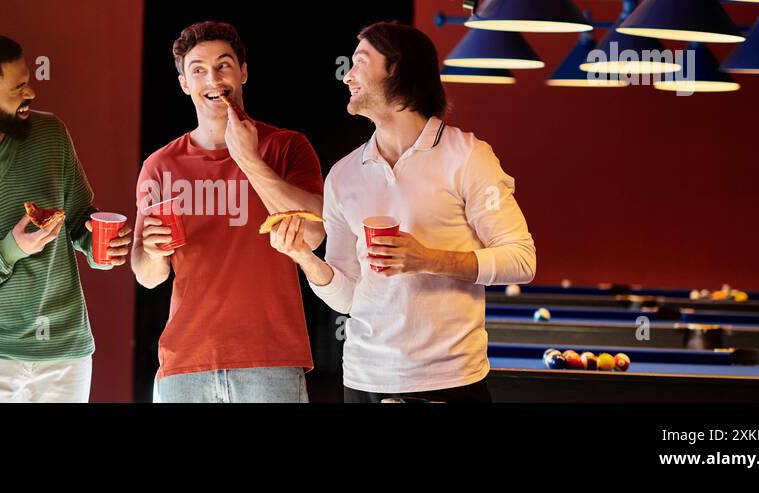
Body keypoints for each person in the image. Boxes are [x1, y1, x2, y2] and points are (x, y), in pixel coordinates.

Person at [270, 22, 536, 403]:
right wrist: (303, 257)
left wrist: (427, 259)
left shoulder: (468, 157)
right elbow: (348, 298)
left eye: (361, 62)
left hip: (450, 380)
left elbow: (521, 260)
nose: (347, 75)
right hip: (364, 380)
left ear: (396, 70)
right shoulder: (344, 175)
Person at [0, 34, 133, 403]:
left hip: (65, 352)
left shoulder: (50, 135)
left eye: (29, 80)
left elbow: (80, 218)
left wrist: (101, 247)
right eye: (18, 88)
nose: (31, 93)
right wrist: (9, 250)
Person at [134, 21, 324, 403]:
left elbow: (315, 233)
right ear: (184, 83)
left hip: (270, 359)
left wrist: (248, 159)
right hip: (184, 363)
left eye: (223, 65)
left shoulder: (287, 147)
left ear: (243, 73)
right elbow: (148, 275)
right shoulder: (160, 165)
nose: (213, 78)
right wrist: (154, 252)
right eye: (198, 70)